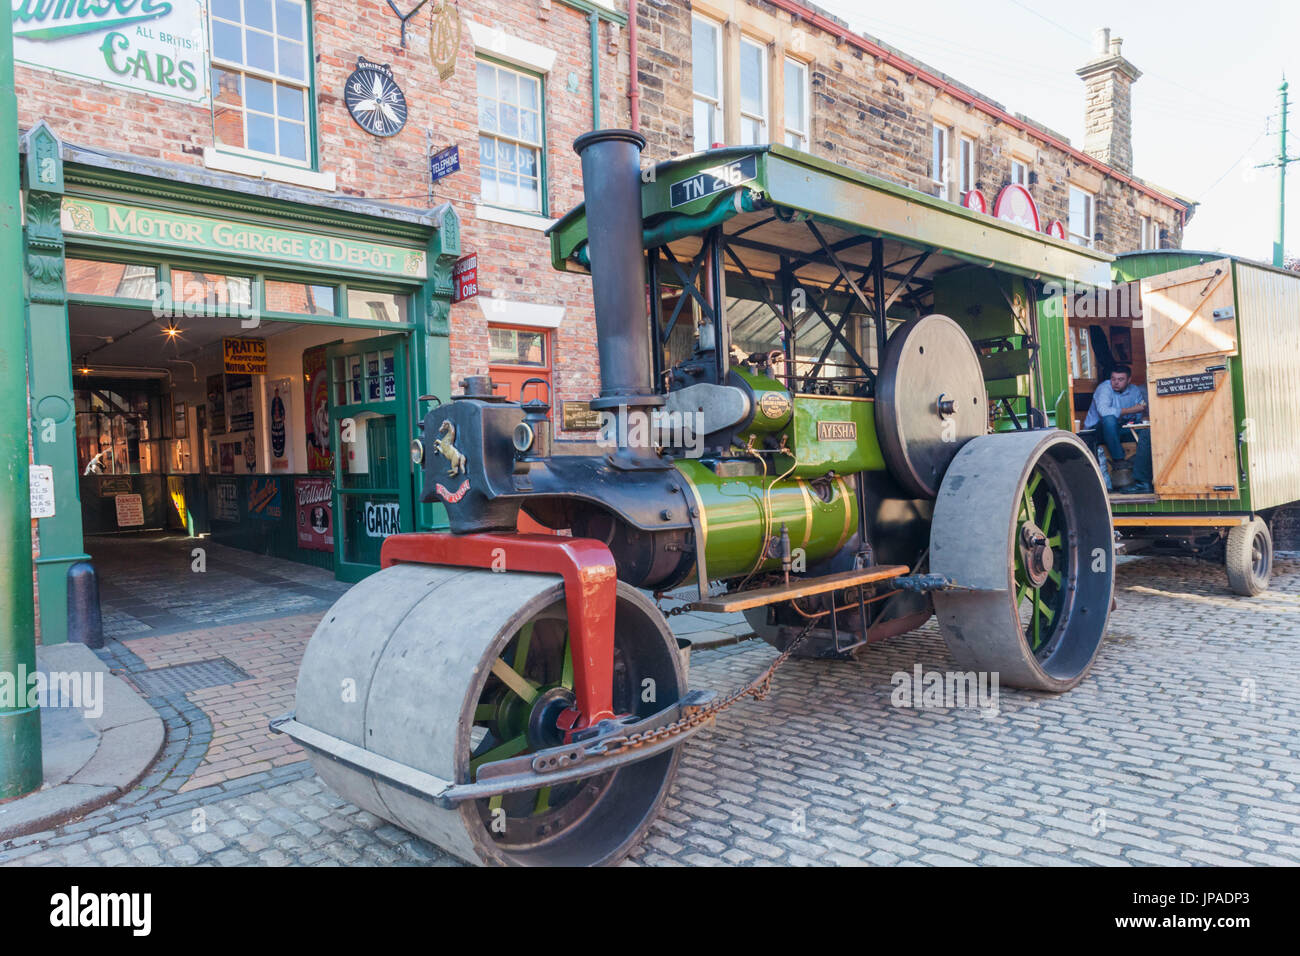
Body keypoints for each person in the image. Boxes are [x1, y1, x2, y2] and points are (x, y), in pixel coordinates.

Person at [1084, 365, 1153, 494]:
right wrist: (1132, 410)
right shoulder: (1104, 388)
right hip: (1097, 432)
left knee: (1147, 432)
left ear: (1129, 380)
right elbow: (1104, 412)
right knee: (1110, 419)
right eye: (1113, 379)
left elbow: (1140, 412)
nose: (1116, 382)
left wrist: (1136, 415)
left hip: (1122, 428)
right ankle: (1119, 460)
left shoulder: (1134, 390)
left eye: (1120, 379)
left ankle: (1142, 481)